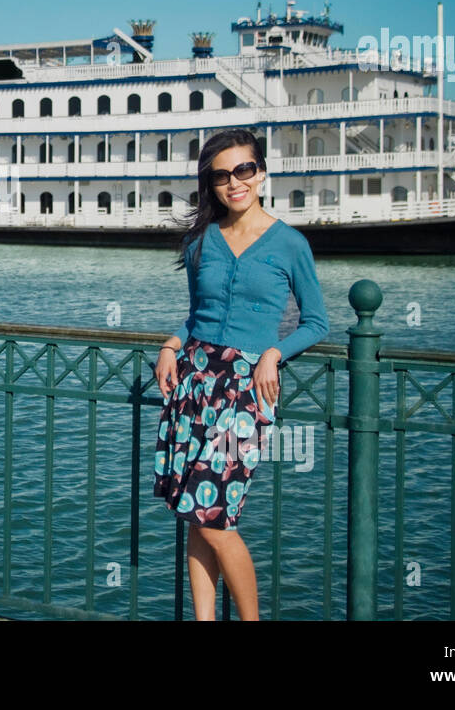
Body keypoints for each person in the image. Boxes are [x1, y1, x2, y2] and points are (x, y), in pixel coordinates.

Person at [152, 128, 328, 620]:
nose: (234, 182)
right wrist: (170, 345)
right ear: (212, 184)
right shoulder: (200, 242)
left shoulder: (290, 244)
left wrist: (274, 353)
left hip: (247, 391)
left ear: (262, 172)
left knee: (215, 520)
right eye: (222, 175)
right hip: (193, 386)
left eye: (243, 170)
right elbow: (195, 315)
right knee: (195, 513)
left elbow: (317, 321)